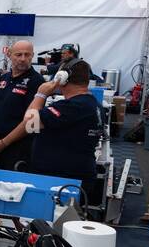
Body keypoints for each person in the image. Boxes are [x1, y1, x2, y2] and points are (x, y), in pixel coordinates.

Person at [23, 59, 101, 201]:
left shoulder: (74, 106)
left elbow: (30, 123)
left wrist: (41, 94)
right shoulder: (91, 103)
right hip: (73, 177)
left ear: (62, 78)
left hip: (61, 182)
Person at [0, 39, 44, 169]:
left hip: (18, 149)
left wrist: (4, 143)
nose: (23, 59)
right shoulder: (4, 78)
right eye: (18, 55)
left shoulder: (37, 81)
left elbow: (32, 123)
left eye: (27, 55)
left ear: (32, 55)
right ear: (9, 55)